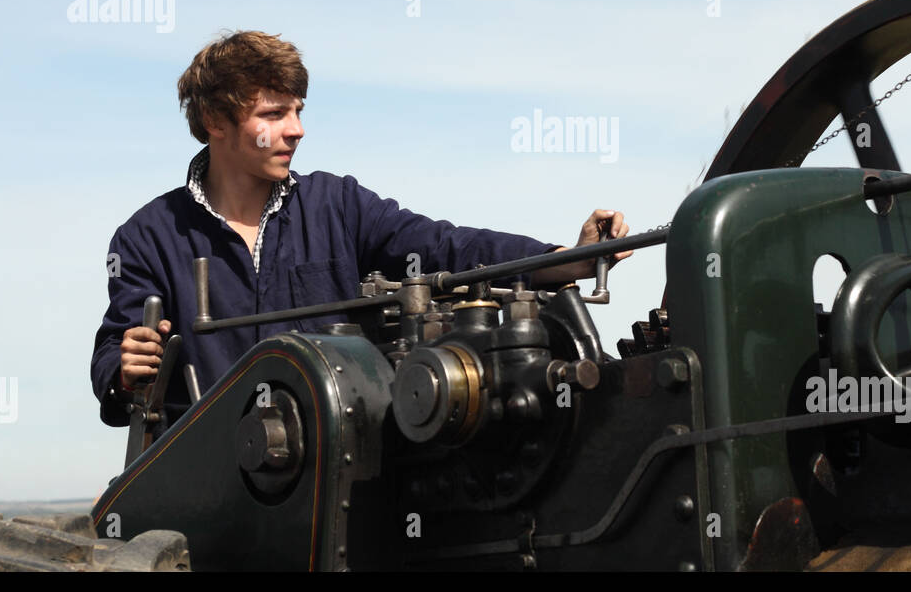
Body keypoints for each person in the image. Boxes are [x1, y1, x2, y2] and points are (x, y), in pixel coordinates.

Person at [91, 30, 631, 427]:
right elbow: (117, 361)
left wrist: (565, 260)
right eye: (275, 114)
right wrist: (125, 367)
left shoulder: (339, 205)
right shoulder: (147, 237)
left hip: (341, 475)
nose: (297, 129)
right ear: (215, 121)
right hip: (211, 491)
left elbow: (445, 245)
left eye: (299, 110)